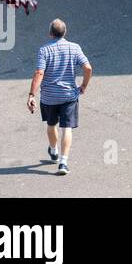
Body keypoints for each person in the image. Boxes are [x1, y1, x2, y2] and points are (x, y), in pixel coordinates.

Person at [27, 19, 92, 176]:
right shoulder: (74, 48)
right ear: (65, 32)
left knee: (51, 125)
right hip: (69, 95)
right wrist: (83, 85)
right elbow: (88, 67)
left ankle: (53, 150)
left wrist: (31, 95)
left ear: (50, 33)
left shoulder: (44, 50)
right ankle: (63, 162)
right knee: (67, 128)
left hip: (49, 97)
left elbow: (39, 73)